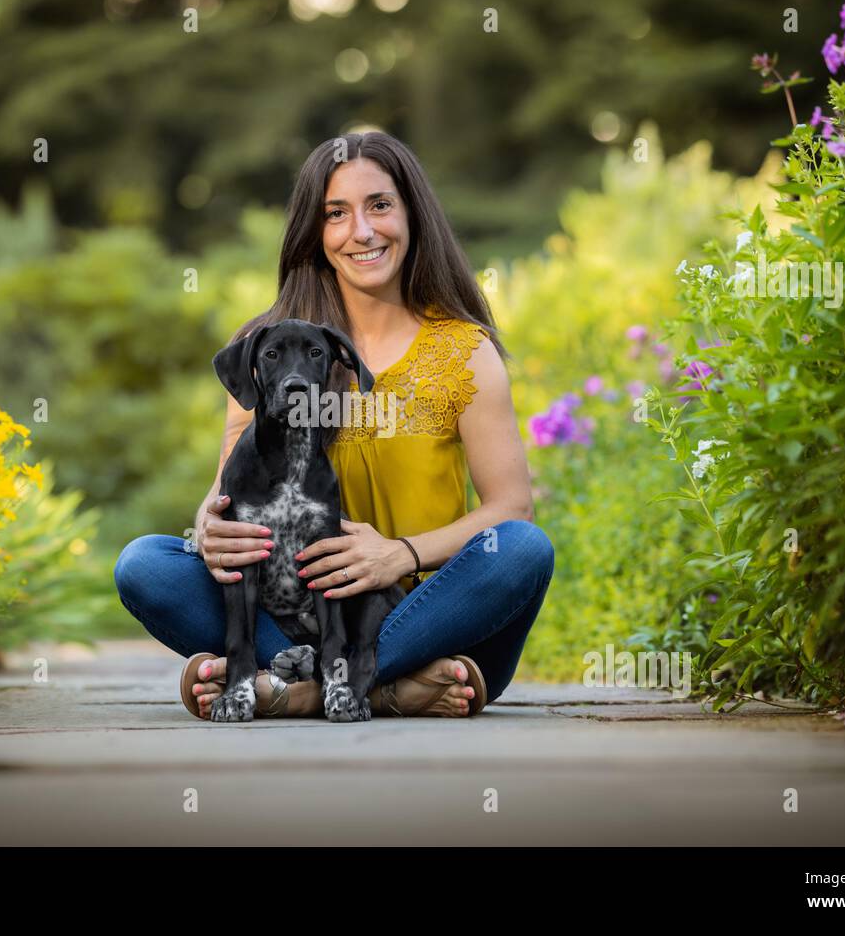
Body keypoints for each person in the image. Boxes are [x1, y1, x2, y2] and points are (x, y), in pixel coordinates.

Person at [114, 130, 554, 718]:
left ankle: (298, 689)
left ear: (412, 214)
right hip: (297, 619)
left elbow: (512, 508)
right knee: (146, 564)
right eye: (336, 213)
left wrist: (398, 554)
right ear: (315, 233)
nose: (362, 232)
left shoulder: (463, 351)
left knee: (522, 549)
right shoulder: (265, 348)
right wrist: (208, 530)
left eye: (379, 205)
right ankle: (380, 687)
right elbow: (228, 490)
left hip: (436, 618)